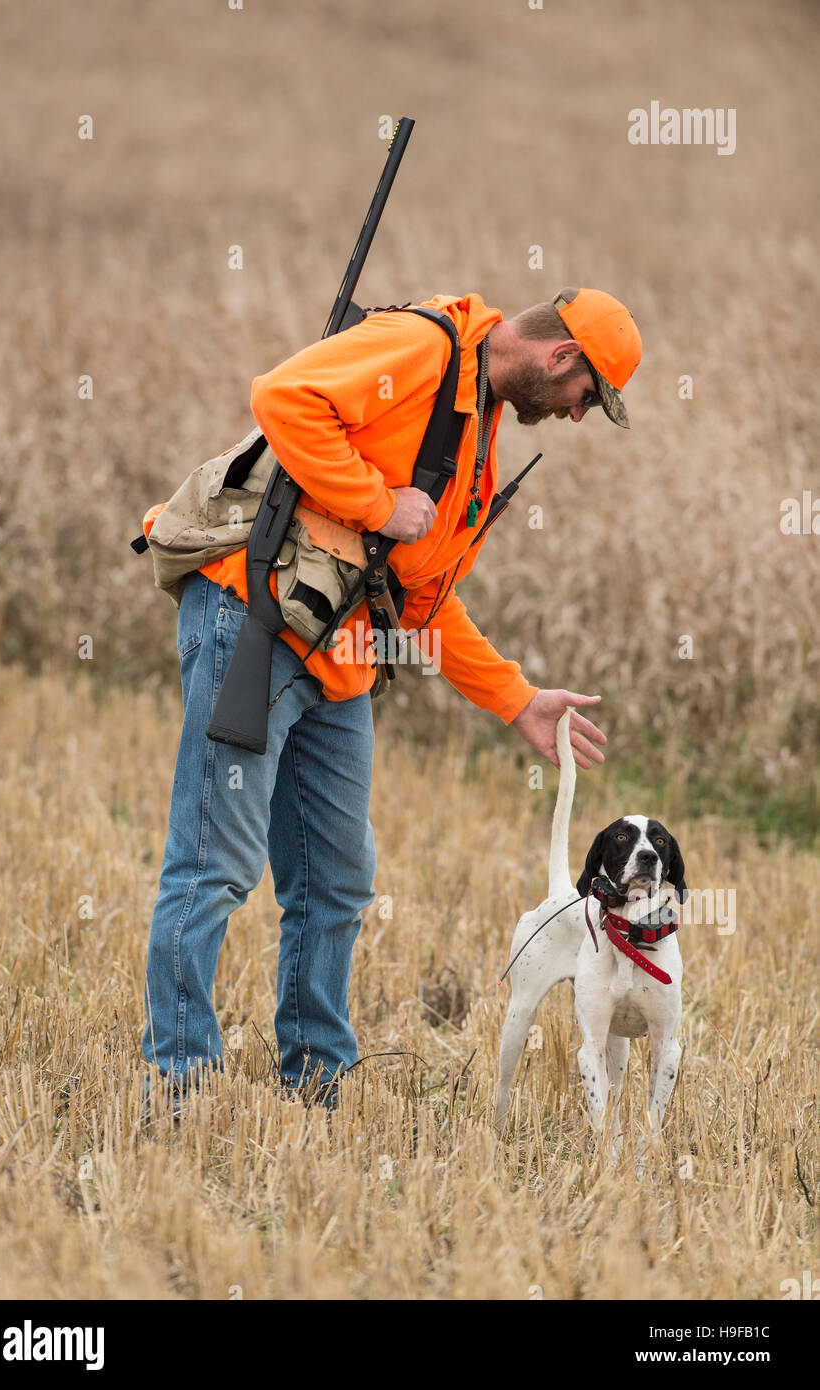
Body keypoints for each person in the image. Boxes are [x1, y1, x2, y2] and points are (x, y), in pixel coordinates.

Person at [140, 285, 642, 1115]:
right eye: (587, 395)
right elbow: (282, 396)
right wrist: (375, 504)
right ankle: (181, 1083)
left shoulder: (477, 428)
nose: (578, 415)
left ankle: (317, 1079)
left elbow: (421, 597)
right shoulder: (424, 349)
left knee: (336, 880)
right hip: (254, 620)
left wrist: (516, 700)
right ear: (560, 356)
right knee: (214, 866)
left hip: (340, 653)